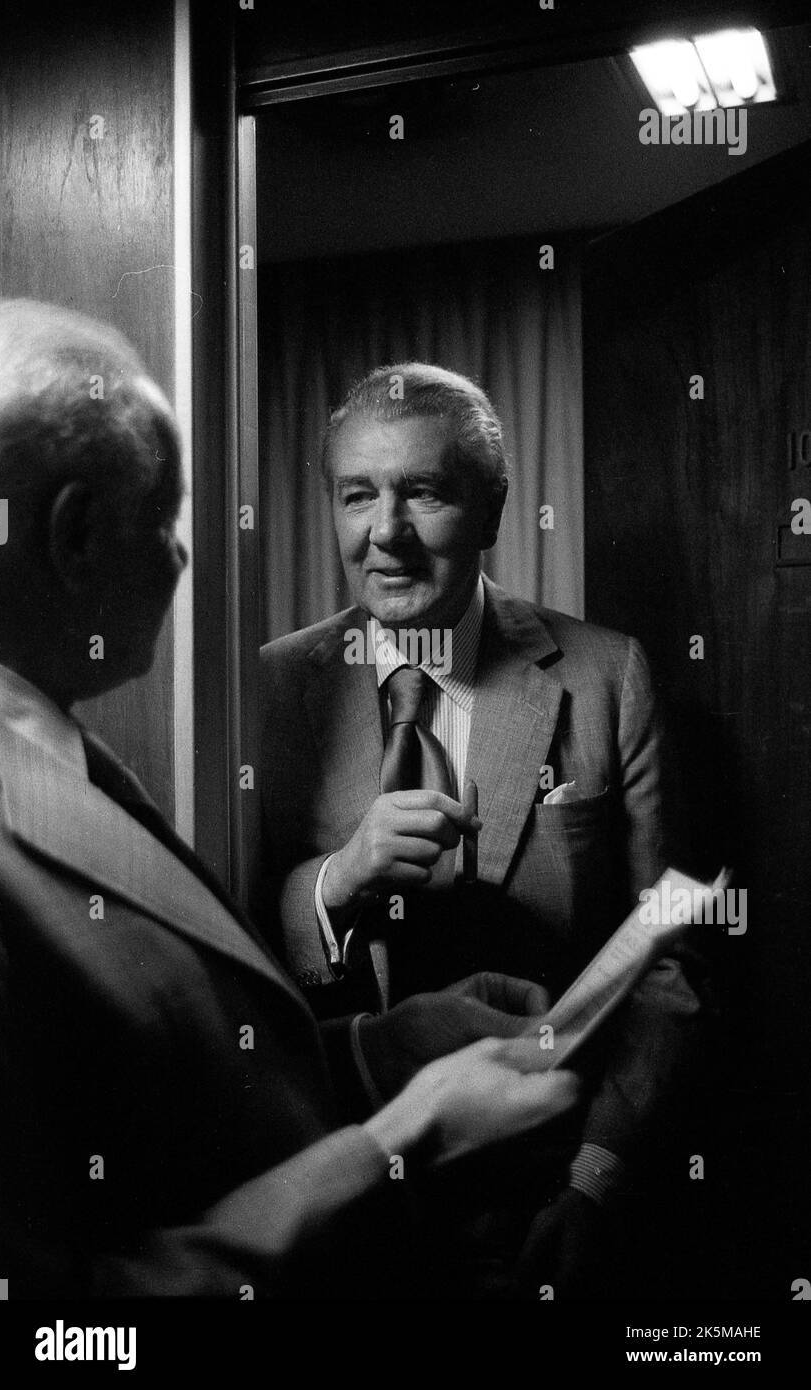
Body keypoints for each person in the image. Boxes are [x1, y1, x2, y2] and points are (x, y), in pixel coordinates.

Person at [0, 302, 579, 1299]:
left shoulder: (58, 742)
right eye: (167, 517)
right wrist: (401, 1144)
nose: (184, 558)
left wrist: (378, 1054)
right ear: (75, 533)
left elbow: (164, 1092)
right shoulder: (260, 689)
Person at [252, 363, 708, 1266]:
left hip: (553, 1178)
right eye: (357, 497)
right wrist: (334, 883)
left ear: (495, 511)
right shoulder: (266, 689)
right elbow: (228, 950)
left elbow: (669, 956)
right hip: (346, 1201)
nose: (387, 534)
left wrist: (596, 1180)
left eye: (423, 492)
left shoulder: (608, 677)